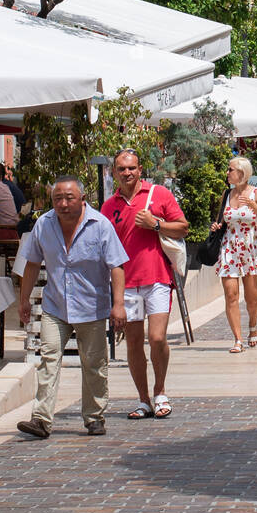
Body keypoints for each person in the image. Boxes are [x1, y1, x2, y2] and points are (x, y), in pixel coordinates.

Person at [17, 176, 128, 439]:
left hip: (91, 306)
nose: (63, 204)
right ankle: (41, 418)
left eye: (69, 198)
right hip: (55, 305)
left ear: (82, 200)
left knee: (93, 363)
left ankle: (94, 416)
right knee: (49, 358)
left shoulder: (100, 225)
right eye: (58, 199)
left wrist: (119, 305)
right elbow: (32, 263)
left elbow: (117, 266)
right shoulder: (43, 225)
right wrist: (23, 299)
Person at [101, 149, 188, 420]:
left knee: (157, 337)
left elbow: (183, 227)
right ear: (114, 172)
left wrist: (156, 224)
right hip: (126, 283)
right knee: (134, 342)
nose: (127, 173)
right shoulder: (109, 206)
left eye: (131, 168)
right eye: (121, 169)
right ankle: (143, 400)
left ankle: (160, 391)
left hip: (158, 277)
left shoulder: (159, 194)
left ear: (140, 170)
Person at [214, 156, 257, 353]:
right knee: (231, 295)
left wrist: (253, 205)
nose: (227, 173)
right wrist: (217, 225)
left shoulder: (256, 193)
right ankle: (237, 339)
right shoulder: (226, 194)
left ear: (242, 173)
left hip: (251, 249)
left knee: (252, 298)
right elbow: (221, 219)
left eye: (230, 170)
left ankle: (253, 325)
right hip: (229, 248)